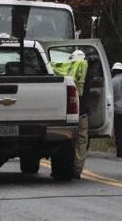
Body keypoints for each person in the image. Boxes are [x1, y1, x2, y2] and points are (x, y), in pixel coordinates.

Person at [52, 49, 89, 178]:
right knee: (81, 141)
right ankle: (77, 170)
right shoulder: (88, 72)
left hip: (67, 113)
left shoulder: (66, 70)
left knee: (63, 140)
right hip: (82, 112)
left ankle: (59, 169)